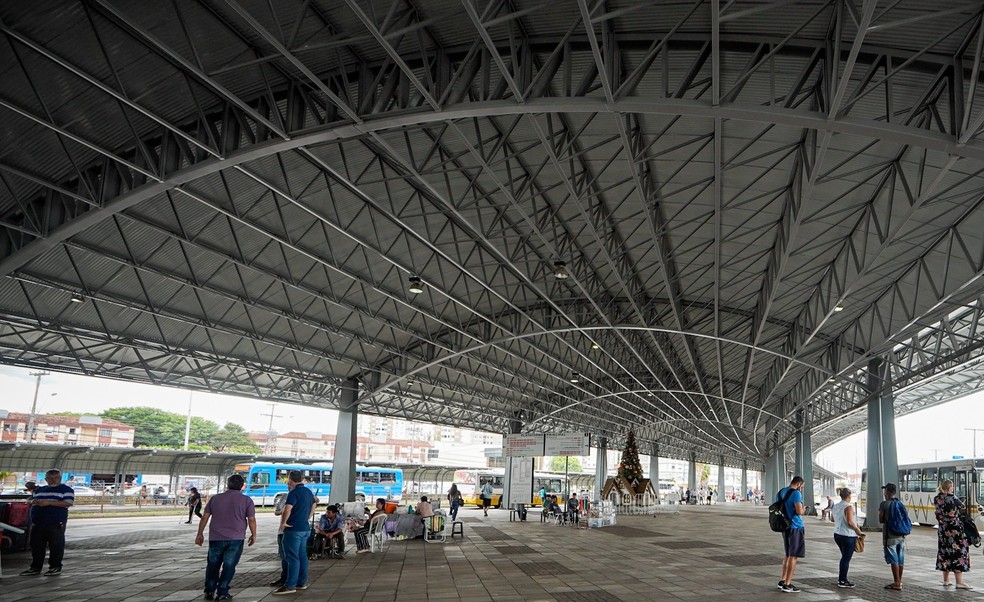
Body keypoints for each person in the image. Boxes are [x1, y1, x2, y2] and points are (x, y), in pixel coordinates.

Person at [194, 474, 256, 601]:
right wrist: (253, 534)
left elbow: (205, 517)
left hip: (215, 537)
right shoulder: (246, 500)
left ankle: (209, 591)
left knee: (212, 565)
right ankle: (222, 591)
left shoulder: (215, 499)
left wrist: (199, 533)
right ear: (242, 486)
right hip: (236, 538)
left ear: (228, 485)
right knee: (229, 565)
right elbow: (251, 519)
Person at [20, 469, 74, 577]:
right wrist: (34, 501)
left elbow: (68, 503)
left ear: (60, 478)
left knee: (56, 545)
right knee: (37, 546)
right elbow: (31, 499)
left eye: (56, 478)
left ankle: (55, 567)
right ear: (46, 479)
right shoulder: (40, 490)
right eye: (50, 478)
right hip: (38, 522)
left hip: (55, 522)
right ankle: (35, 567)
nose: (53, 480)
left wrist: (48, 502)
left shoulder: (66, 489)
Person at [273, 470, 316, 595]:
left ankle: (290, 585)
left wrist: (283, 523)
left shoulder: (293, 493)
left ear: (290, 480)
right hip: (304, 528)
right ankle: (301, 582)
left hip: (293, 529)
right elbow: (314, 504)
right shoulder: (308, 492)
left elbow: (287, 509)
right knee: (302, 555)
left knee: (292, 557)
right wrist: (308, 517)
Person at [934, 479, 973, 589]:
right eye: (952, 487)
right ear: (949, 487)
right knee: (959, 552)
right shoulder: (953, 498)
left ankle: (946, 580)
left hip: (943, 529)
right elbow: (962, 508)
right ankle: (959, 582)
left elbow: (937, 512)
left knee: (944, 551)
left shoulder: (937, 498)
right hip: (954, 529)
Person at [776, 476, 807, 593]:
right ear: (798, 484)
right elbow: (799, 511)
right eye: (802, 487)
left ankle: (782, 580)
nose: (801, 489)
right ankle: (788, 584)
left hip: (785, 526)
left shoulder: (781, 492)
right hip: (795, 526)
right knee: (793, 556)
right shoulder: (796, 494)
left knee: (788, 554)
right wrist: (803, 509)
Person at [831, 487, 863, 588]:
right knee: (846, 558)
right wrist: (857, 530)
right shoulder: (848, 507)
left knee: (844, 557)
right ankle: (842, 580)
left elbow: (832, 519)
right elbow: (850, 522)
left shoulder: (836, 506)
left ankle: (842, 579)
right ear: (849, 496)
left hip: (837, 534)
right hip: (848, 535)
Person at [878, 483, 907, 591]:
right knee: (900, 559)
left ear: (887, 492)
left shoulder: (884, 504)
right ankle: (900, 581)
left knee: (893, 559)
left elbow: (881, 520)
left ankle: (897, 582)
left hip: (889, 536)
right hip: (901, 535)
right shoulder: (900, 503)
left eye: (885, 491)